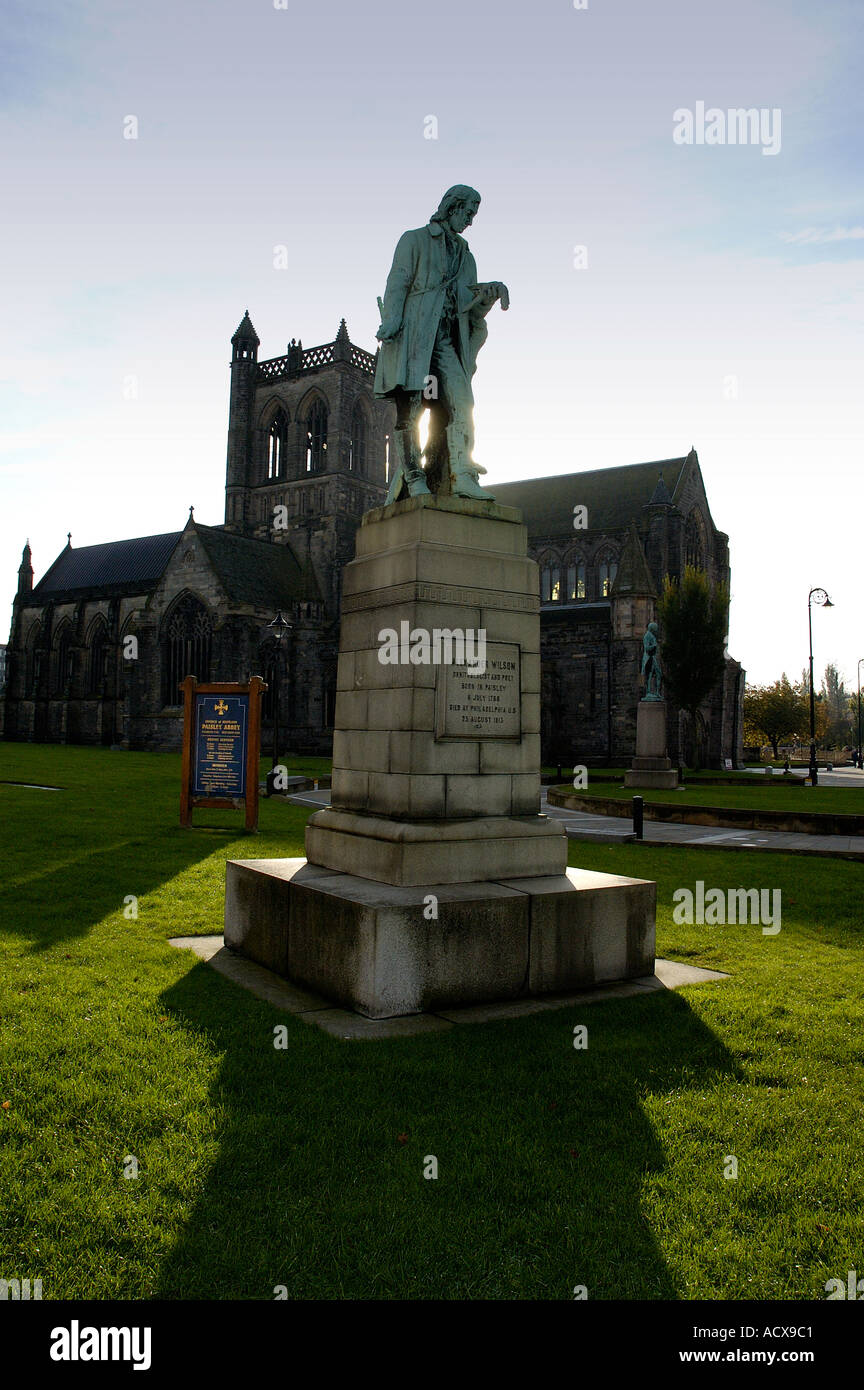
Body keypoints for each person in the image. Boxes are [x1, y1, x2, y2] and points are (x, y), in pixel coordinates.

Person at [374, 185, 509, 502]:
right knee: (412, 406)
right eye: (468, 213)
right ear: (452, 207)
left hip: (447, 336)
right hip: (416, 332)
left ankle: (462, 474)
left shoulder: (466, 256)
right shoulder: (415, 239)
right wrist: (392, 320)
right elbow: (398, 280)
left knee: (461, 402)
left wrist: (489, 293)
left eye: (475, 215)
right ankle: (413, 475)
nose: (471, 221)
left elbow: (469, 305)